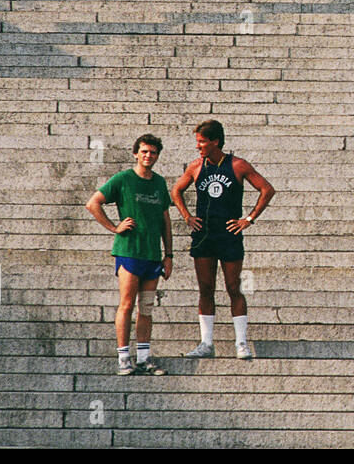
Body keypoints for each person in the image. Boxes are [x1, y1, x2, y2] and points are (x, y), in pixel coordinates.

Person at [171, 119, 275, 360]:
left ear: (215, 141)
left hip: (229, 233)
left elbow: (267, 189)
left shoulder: (237, 165)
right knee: (205, 288)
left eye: (202, 142)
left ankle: (241, 342)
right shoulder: (196, 166)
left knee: (233, 287)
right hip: (204, 234)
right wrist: (187, 216)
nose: (198, 146)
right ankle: (206, 343)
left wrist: (248, 219)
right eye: (197, 142)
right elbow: (176, 191)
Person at [85, 134, 173, 376]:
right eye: (144, 151)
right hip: (129, 252)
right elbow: (93, 203)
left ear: (157, 156)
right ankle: (124, 357)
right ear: (136, 153)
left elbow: (165, 219)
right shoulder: (124, 179)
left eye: (153, 152)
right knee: (126, 304)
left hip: (153, 255)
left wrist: (169, 254)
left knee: (146, 308)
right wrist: (114, 227)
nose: (148, 156)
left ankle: (143, 358)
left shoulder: (159, 183)